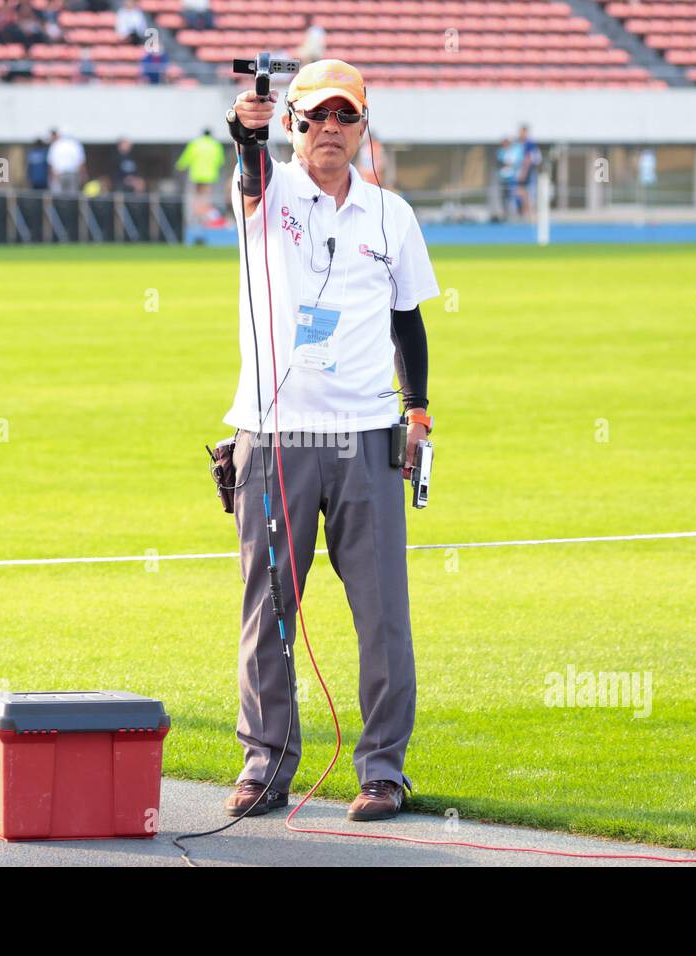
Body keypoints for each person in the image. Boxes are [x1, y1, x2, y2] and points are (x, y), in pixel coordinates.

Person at [221, 59, 438, 823]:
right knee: (271, 610)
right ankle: (267, 765)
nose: (330, 131)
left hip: (368, 436)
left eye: (345, 118)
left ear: (362, 127)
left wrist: (418, 409)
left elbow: (407, 318)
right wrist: (242, 134)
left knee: (383, 616)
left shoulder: (392, 215)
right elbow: (247, 171)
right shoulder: (269, 191)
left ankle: (383, 771)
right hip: (276, 436)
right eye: (315, 117)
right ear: (292, 125)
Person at [175, 127, 225, 224]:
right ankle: (206, 220)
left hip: (196, 176)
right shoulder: (216, 145)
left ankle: (196, 219)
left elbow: (186, 158)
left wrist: (179, 167)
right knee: (206, 200)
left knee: (196, 199)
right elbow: (221, 162)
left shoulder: (195, 144)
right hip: (210, 177)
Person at [514, 124, 542, 218]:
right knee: (520, 192)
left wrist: (524, 172)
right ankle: (524, 212)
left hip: (528, 171)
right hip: (521, 170)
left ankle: (531, 213)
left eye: (522, 132)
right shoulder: (518, 143)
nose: (520, 134)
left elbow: (528, 158)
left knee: (530, 192)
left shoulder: (529, 144)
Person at [46, 127, 85, 194]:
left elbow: (51, 163)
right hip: (72, 173)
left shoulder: (56, 144)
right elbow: (80, 161)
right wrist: (82, 174)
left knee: (59, 195)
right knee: (72, 195)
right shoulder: (75, 144)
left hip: (59, 174)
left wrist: (51, 176)